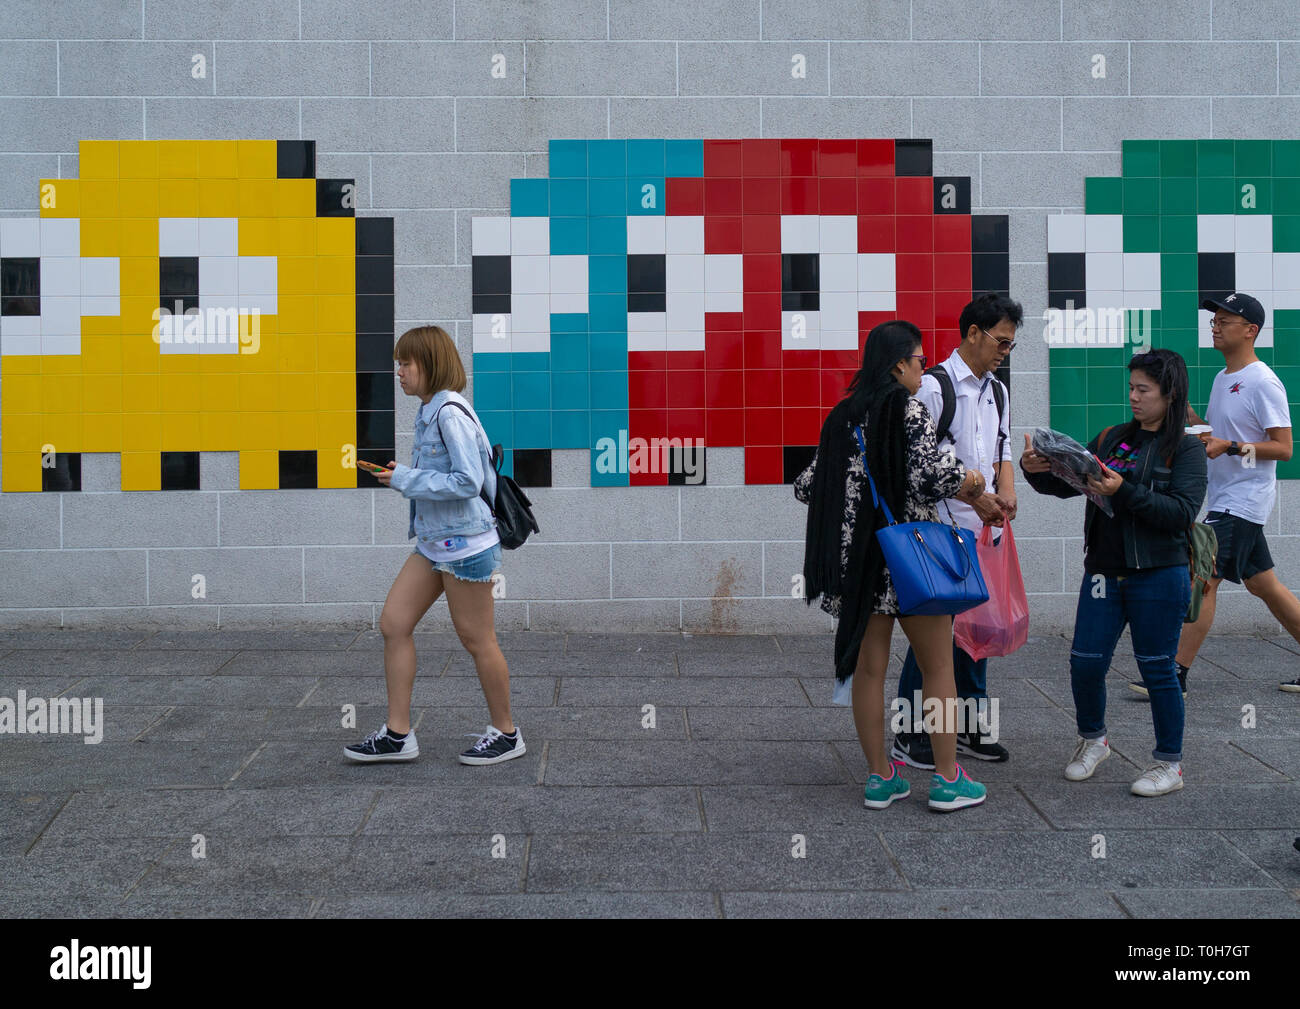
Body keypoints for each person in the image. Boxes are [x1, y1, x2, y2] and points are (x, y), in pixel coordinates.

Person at [795, 319, 990, 812]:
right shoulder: (910, 409)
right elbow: (929, 476)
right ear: (900, 363)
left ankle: (880, 777)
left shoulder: (842, 416)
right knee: (938, 666)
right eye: (921, 360)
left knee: (868, 670)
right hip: (912, 561)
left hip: (860, 567)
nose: (924, 369)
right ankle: (947, 780)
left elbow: (806, 486)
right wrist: (968, 477)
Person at [1021, 349, 1206, 796]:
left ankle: (1169, 764)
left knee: (1158, 668)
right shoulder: (1113, 437)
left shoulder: (1187, 449)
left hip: (1159, 572)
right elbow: (1074, 483)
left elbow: (1180, 513)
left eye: (1143, 389)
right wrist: (1037, 473)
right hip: (1104, 569)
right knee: (1085, 662)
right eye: (1131, 388)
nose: (1134, 397)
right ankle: (1093, 741)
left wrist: (1124, 491)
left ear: (1171, 392)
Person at [344, 325, 524, 766]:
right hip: (433, 543)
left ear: (431, 364)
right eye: (397, 364)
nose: (398, 372)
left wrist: (405, 478)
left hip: (465, 546)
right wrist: (401, 476)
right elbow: (442, 478)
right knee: (394, 624)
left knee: (477, 640)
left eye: (406, 363)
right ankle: (397, 735)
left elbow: (467, 481)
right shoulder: (429, 410)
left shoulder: (448, 414)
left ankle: (507, 733)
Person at [892, 293, 1021, 770]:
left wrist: (1006, 496)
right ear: (972, 333)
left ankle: (970, 727)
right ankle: (910, 733)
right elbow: (919, 465)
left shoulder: (997, 390)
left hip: (984, 530)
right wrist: (978, 498)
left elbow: (1002, 448)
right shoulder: (933, 386)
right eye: (1001, 341)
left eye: (1011, 344)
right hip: (940, 528)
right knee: (937, 636)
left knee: (977, 634)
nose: (1005, 350)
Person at [1166, 294, 1300, 696]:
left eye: (1226, 320)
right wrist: (1193, 421)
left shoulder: (1263, 381)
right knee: (1265, 587)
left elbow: (1284, 448)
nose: (1216, 326)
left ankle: (1175, 673)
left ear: (1250, 330)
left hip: (1243, 500)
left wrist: (1234, 447)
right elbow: (1221, 434)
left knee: (1203, 579)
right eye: (1215, 320)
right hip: (1225, 496)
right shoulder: (1224, 378)